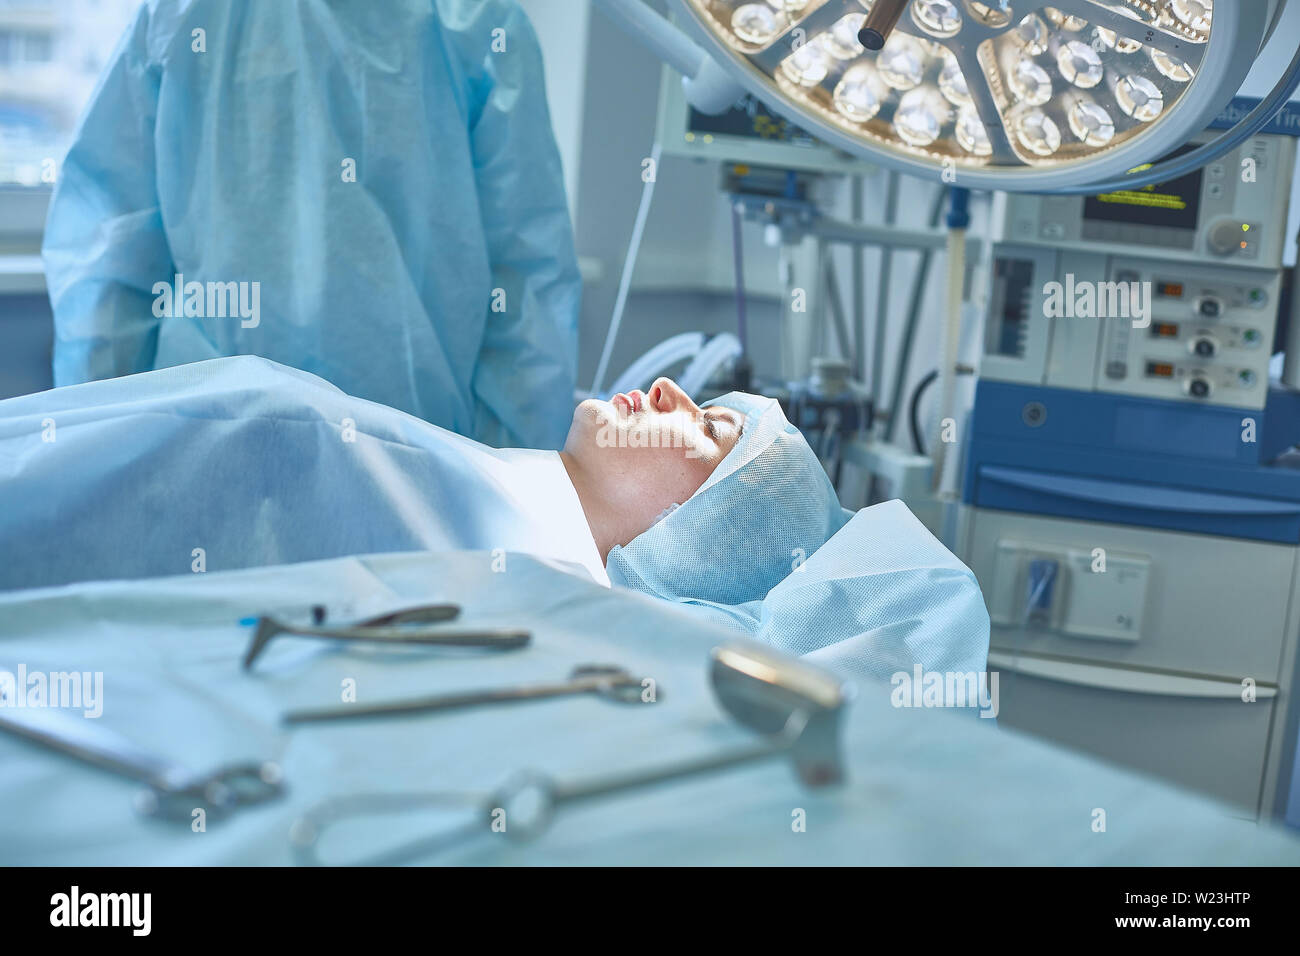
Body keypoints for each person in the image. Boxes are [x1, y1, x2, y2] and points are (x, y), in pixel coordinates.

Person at [0, 356, 989, 677]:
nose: (671, 391)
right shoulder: (486, 490)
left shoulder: (536, 584)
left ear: (697, 529)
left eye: (714, 432)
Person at [42, 0, 579, 450]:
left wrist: (106, 454)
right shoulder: (474, 21)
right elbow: (529, 279)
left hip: (214, 447)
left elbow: (106, 268)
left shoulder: (182, 17)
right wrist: (509, 481)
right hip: (415, 460)